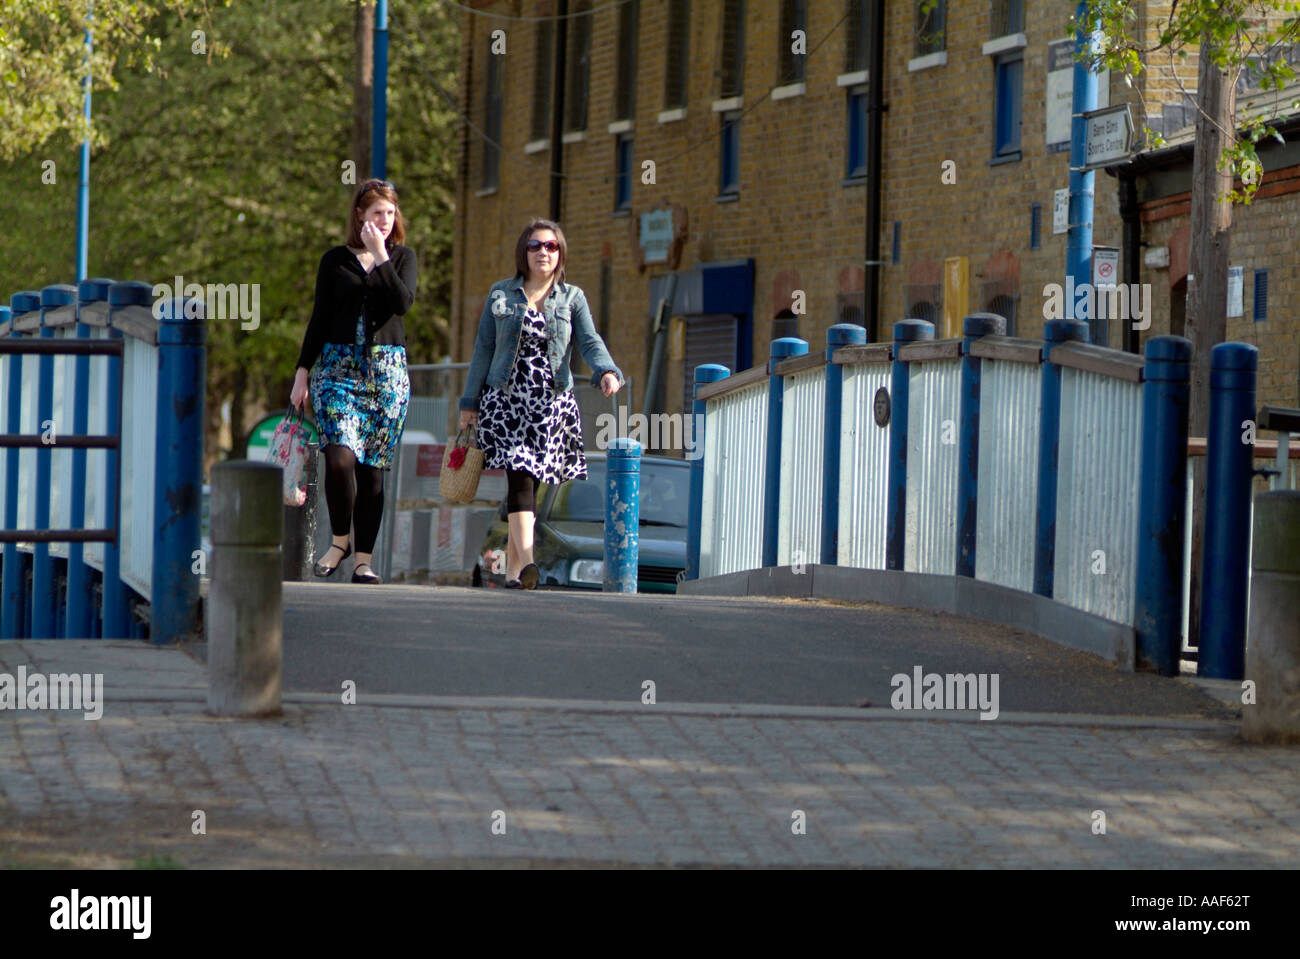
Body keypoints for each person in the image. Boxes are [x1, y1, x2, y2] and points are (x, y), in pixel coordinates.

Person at [459, 219, 622, 589]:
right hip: (506, 401)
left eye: (551, 246)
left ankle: (515, 574)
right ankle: (530, 563)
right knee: (519, 474)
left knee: (530, 486)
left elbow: (590, 341)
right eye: (535, 246)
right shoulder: (500, 295)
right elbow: (483, 349)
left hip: (550, 406)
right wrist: (469, 404)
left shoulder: (572, 298)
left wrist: (607, 371)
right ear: (524, 252)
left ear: (560, 253)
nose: (543, 252)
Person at [289, 179, 418, 585]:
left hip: (387, 374)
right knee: (340, 457)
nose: (384, 219)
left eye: (390, 213)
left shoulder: (402, 258)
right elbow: (320, 317)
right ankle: (339, 540)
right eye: (377, 212)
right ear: (360, 215)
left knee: (372, 471)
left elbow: (402, 304)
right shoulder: (334, 260)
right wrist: (302, 371)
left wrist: (381, 256)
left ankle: (364, 559)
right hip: (337, 373)